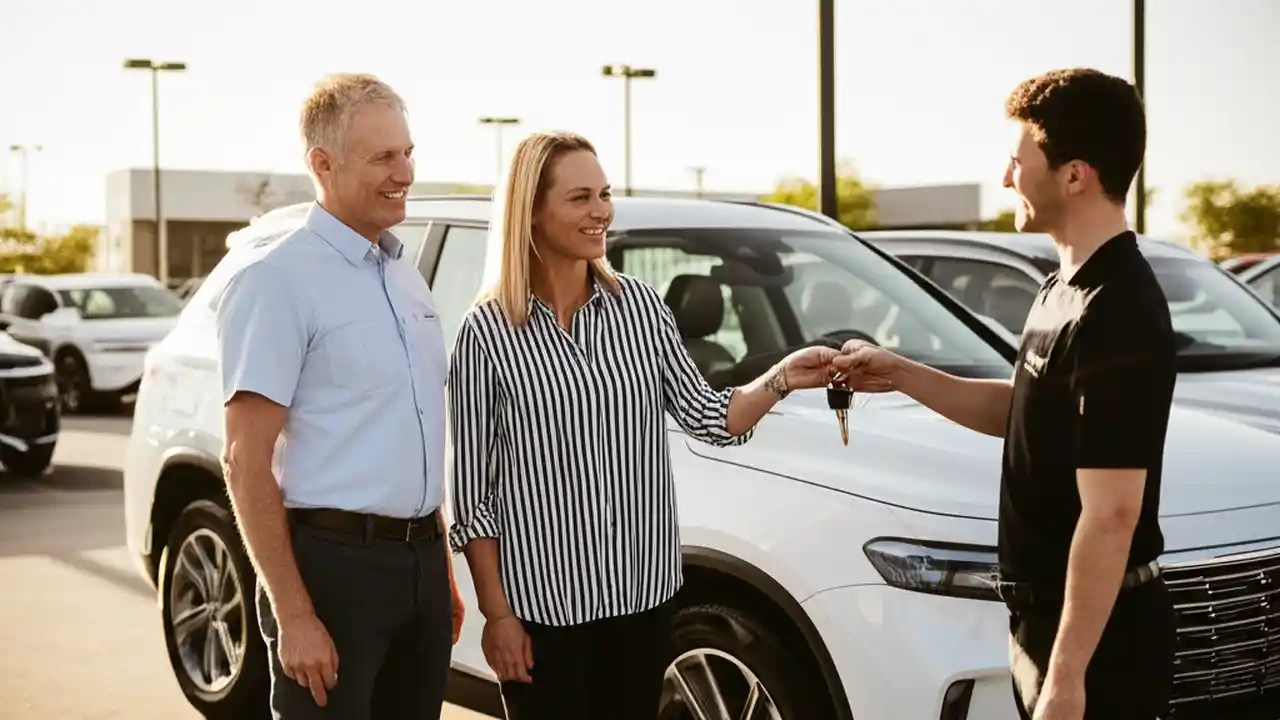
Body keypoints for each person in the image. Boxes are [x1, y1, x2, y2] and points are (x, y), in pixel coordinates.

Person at [447, 130, 838, 719]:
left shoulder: (642, 308)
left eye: (604, 193)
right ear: (531, 211)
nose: (601, 210)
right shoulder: (485, 334)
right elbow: (473, 497)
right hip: (542, 619)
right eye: (579, 197)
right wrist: (497, 615)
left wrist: (781, 378)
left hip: (643, 604)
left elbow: (711, 416)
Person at [834, 68, 1176, 720]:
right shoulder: (1062, 287)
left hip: (1102, 644)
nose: (1005, 177)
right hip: (1040, 622)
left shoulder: (1119, 307)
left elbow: (1111, 516)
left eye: (1018, 161)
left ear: (1074, 174)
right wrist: (901, 373)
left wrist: (1068, 678)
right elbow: (1026, 413)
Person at [214, 73, 464, 719]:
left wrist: (435, 574)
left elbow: (412, 428)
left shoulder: (403, 273)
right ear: (321, 164)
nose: (405, 171)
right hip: (333, 575)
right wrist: (293, 614)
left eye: (408, 152)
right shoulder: (276, 280)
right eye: (384, 157)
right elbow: (245, 459)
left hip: (421, 566)